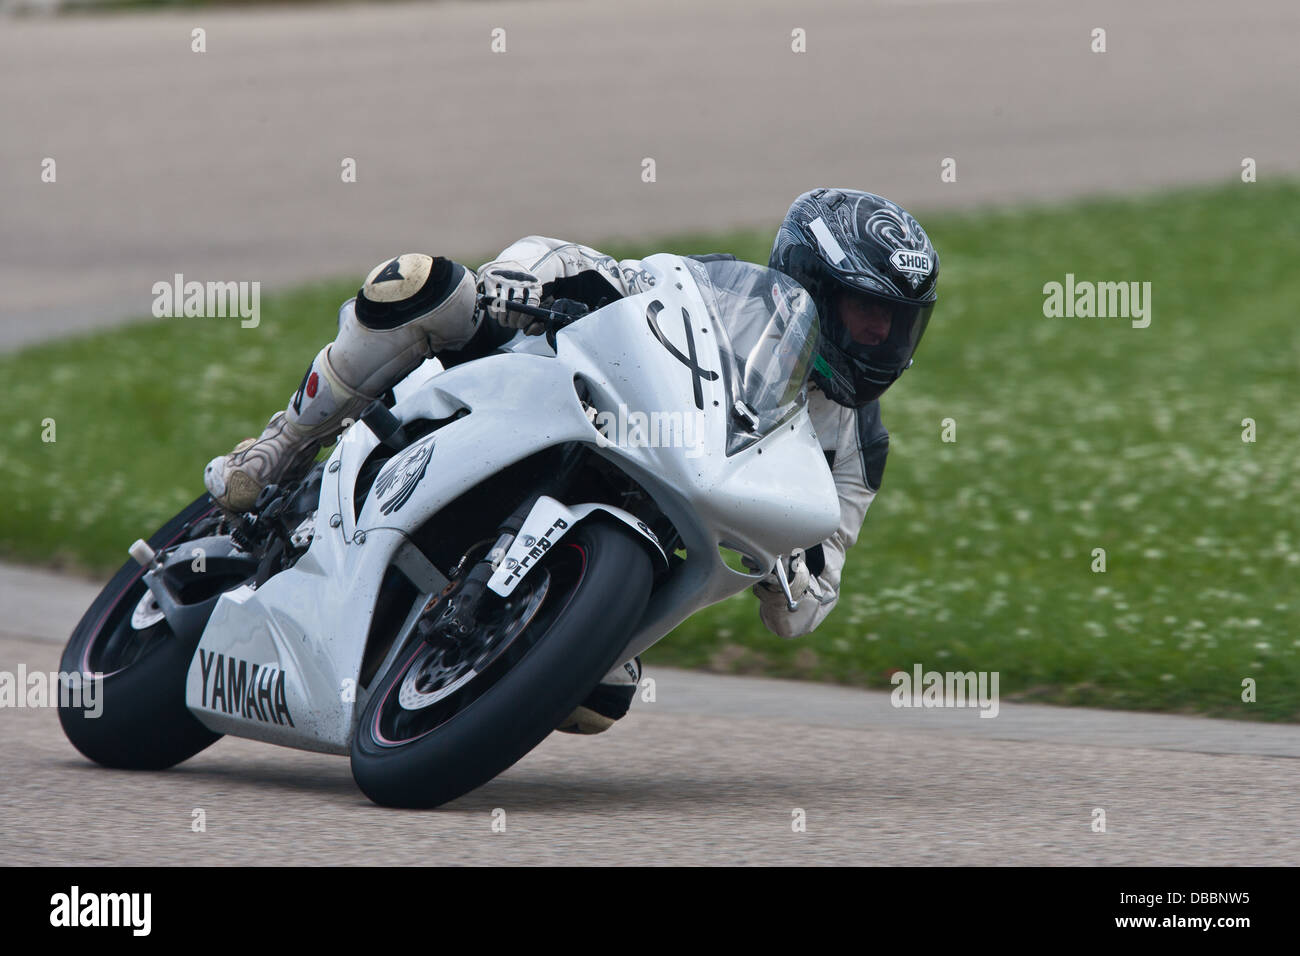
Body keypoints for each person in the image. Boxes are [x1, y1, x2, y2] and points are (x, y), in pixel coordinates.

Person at [202, 188, 939, 733]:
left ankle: (481, 645)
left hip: (654, 505)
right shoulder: (723, 293)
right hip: (550, 396)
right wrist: (523, 282)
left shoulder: (858, 446)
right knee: (419, 281)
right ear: (808, 281)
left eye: (897, 323)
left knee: (599, 698)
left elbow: (812, 597)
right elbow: (622, 279)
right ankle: (281, 446)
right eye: (863, 311)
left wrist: (796, 573)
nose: (879, 338)